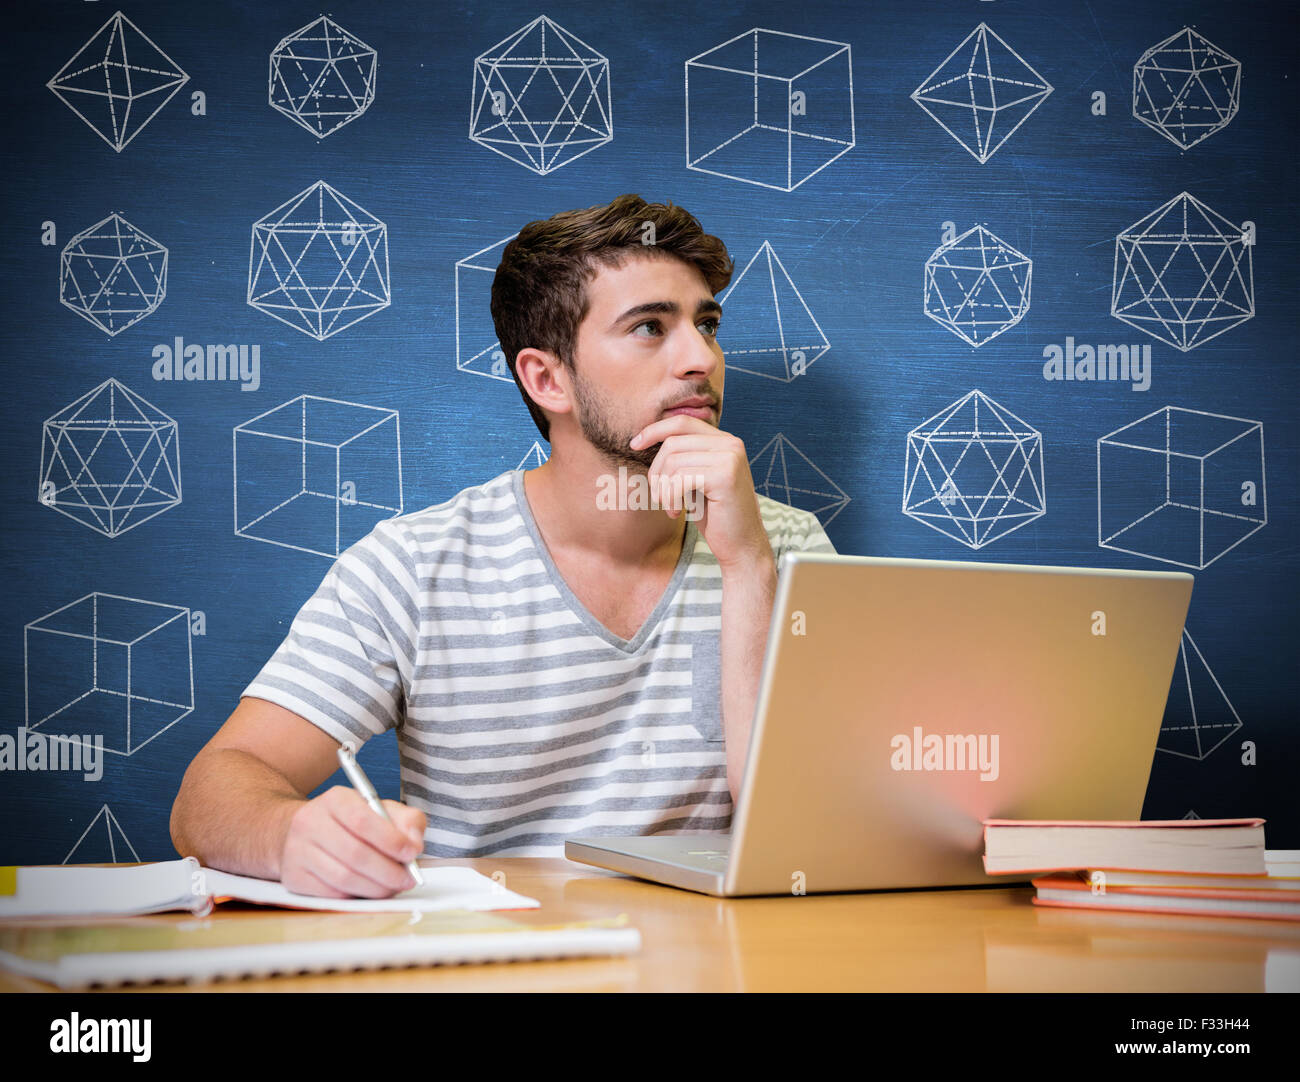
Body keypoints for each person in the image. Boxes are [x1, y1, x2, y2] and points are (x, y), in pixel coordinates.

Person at [170, 194, 835, 898]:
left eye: (707, 325)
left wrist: (747, 566)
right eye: (649, 327)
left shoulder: (785, 547)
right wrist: (290, 836)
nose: (701, 358)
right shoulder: (414, 564)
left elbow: (806, 831)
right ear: (547, 379)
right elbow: (210, 795)